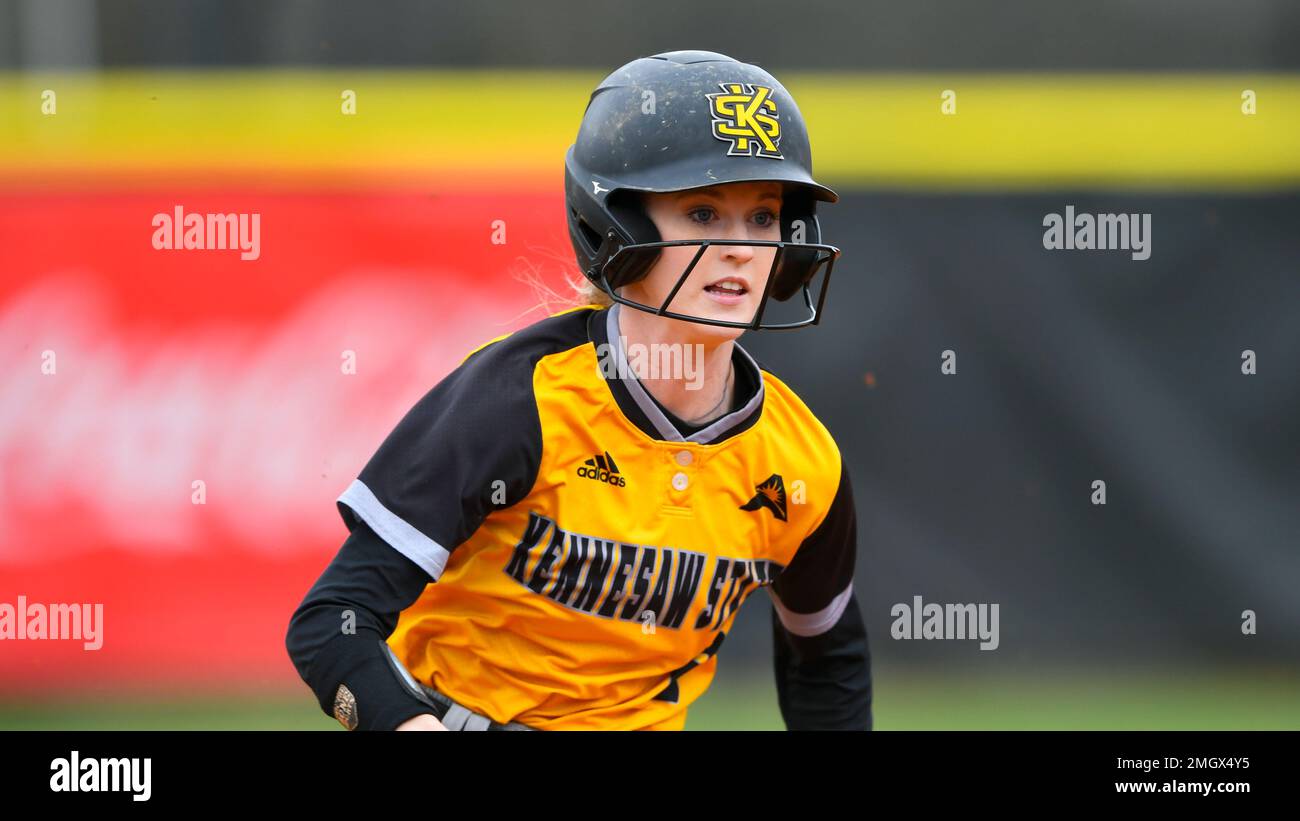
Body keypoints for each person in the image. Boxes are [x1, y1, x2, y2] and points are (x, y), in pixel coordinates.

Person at [285, 50, 871, 731]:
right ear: (619, 227)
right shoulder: (521, 402)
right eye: (704, 212)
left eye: (764, 217)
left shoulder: (800, 462)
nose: (740, 246)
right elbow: (331, 623)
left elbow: (827, 658)